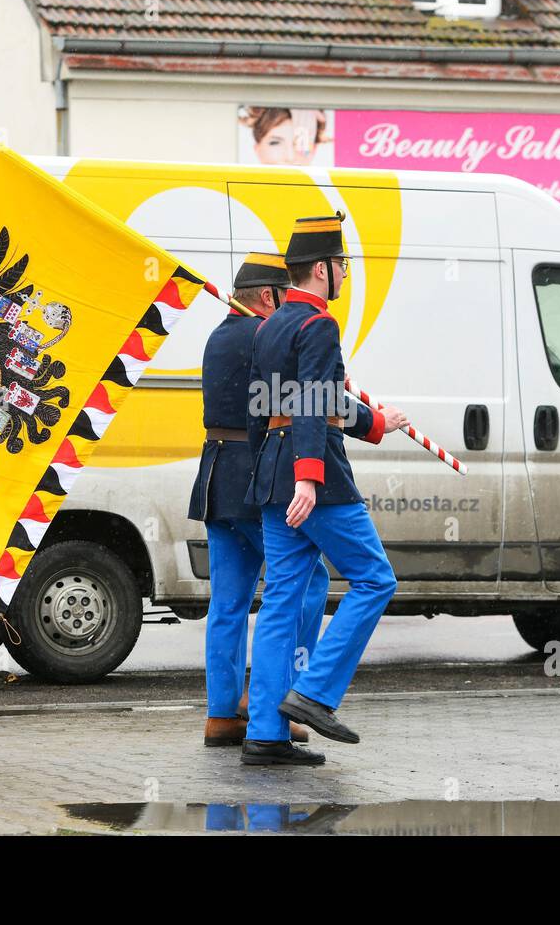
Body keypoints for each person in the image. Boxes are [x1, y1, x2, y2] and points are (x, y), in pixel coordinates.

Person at [241, 212, 407, 767]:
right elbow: (313, 400)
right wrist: (309, 476)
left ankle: (266, 733)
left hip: (272, 471)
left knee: (281, 605)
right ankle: (313, 694)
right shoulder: (318, 326)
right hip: (314, 477)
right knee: (375, 578)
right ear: (321, 269)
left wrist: (379, 423)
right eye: (341, 266)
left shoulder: (269, 327)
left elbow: (274, 404)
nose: (344, 275)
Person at [190, 253, 328, 748]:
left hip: (216, 479)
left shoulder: (218, 336)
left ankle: (223, 715)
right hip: (257, 480)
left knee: (228, 604)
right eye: (287, 298)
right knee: (307, 583)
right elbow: (297, 404)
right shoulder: (268, 337)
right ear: (269, 297)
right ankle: (280, 699)